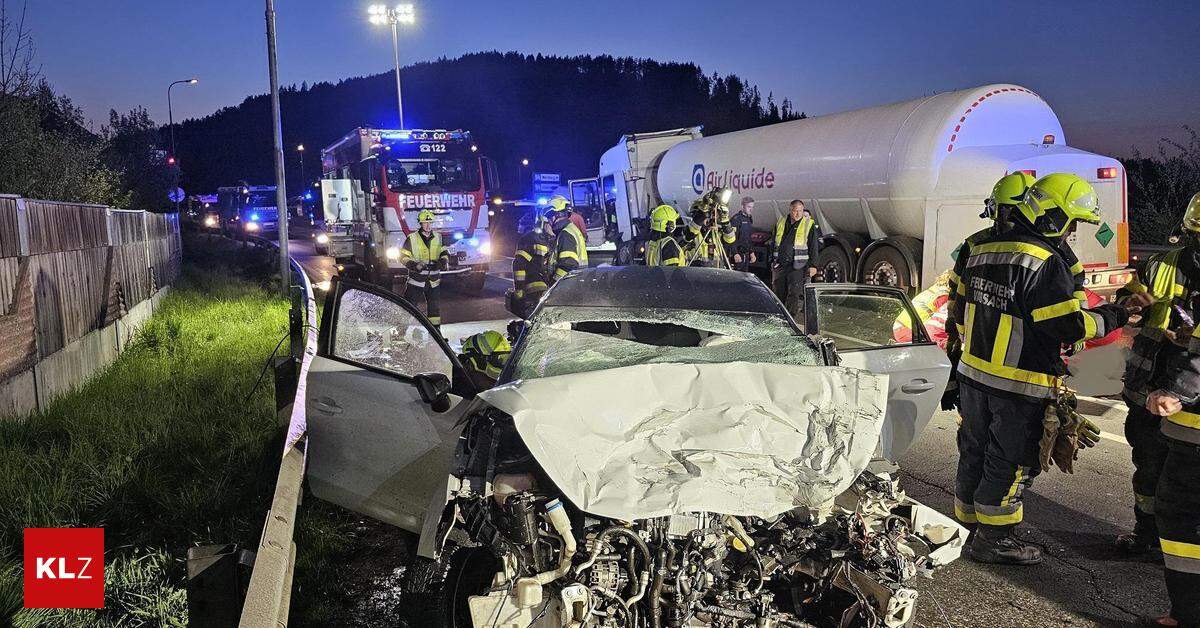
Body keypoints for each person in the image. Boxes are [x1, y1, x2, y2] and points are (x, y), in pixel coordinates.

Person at [952, 173, 1138, 565]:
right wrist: (1115, 314)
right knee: (1012, 459)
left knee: (974, 450)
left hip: (973, 374)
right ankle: (996, 539)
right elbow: (1067, 326)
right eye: (1070, 222)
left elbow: (958, 307)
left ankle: (968, 528)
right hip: (1021, 381)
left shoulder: (980, 247)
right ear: (1053, 216)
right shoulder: (1044, 260)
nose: (1071, 232)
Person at [1116, 191, 1200, 559]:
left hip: (1192, 398)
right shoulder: (1159, 266)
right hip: (1147, 390)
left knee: (1187, 480)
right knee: (1148, 469)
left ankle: (1182, 547)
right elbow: (1125, 301)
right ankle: (1146, 533)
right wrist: (1131, 306)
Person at [401, 210, 450, 330]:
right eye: (425, 223)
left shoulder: (438, 237)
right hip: (416, 280)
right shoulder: (411, 238)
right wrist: (414, 265)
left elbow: (444, 253)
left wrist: (442, 261)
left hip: (433, 280)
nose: (428, 225)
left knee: (434, 309)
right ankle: (401, 333)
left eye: (429, 222)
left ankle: (436, 334)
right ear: (420, 224)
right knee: (409, 307)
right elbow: (402, 257)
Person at [770, 200, 819, 318]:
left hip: (798, 265)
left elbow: (814, 246)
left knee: (794, 292)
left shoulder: (808, 224)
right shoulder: (781, 222)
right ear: (790, 210)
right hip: (780, 264)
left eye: (800, 211)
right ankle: (778, 316)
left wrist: (813, 265)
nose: (797, 213)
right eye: (795, 210)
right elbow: (773, 243)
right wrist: (772, 260)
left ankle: (790, 318)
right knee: (778, 292)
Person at [512, 210, 553, 318]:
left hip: (548, 288)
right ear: (544, 224)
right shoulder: (529, 239)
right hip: (534, 287)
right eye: (550, 223)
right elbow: (519, 264)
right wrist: (519, 290)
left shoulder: (551, 239)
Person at [549, 203, 588, 284]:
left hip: (568, 285)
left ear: (556, 216)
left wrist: (554, 284)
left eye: (548, 217)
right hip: (576, 282)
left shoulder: (565, 234)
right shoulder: (570, 229)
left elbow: (567, 265)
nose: (548, 221)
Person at [729, 196, 757, 272]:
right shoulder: (736, 219)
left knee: (744, 277)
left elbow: (748, 238)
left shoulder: (749, 219)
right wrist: (735, 253)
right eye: (749, 207)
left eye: (752, 207)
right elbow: (731, 238)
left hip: (746, 254)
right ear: (742, 206)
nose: (751, 209)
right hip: (738, 254)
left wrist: (751, 252)